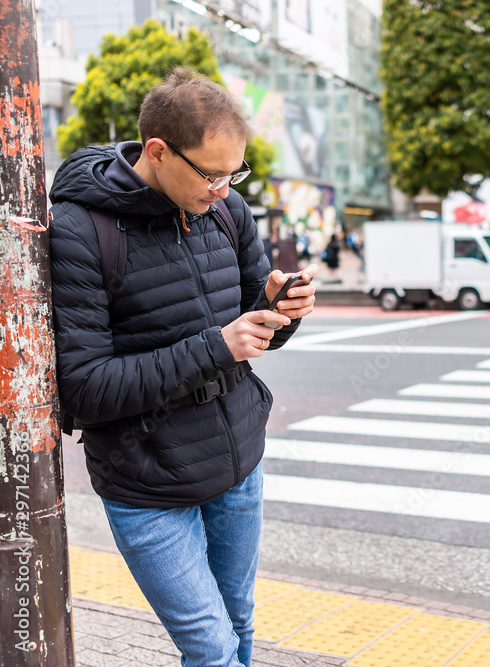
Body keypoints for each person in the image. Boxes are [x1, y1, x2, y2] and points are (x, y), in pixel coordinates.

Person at [47, 68, 320, 667]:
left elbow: (255, 328)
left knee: (240, 623)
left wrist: (282, 310)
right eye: (212, 174)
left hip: (238, 460)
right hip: (147, 485)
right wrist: (218, 345)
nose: (224, 188)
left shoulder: (227, 210)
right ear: (158, 151)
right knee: (214, 649)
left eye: (235, 173)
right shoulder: (80, 229)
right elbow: (85, 389)